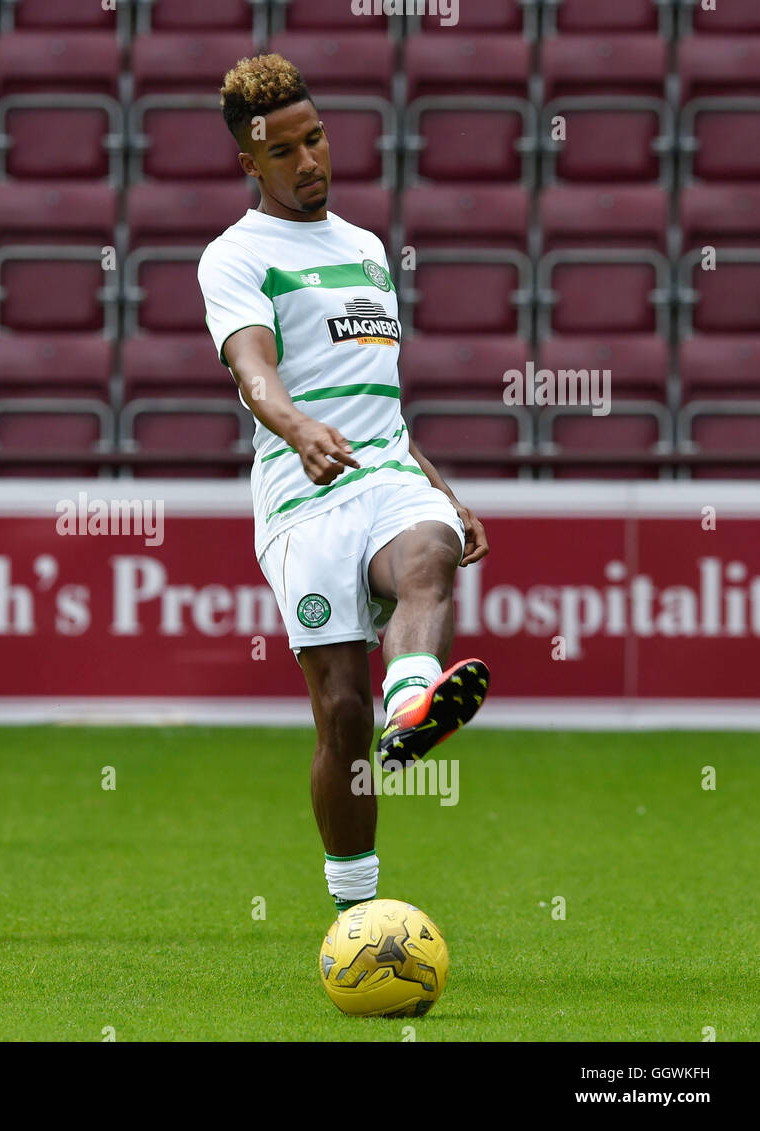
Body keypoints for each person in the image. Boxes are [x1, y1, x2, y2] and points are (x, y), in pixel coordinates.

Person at [196, 54, 491, 917]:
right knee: (340, 714)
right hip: (301, 494)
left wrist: (442, 486)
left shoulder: (365, 249)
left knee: (431, 549)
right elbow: (252, 365)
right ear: (250, 162)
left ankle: (417, 699)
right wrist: (295, 427)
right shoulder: (234, 256)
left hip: (387, 475)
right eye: (284, 152)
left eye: (315, 138)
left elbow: (379, 397)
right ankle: (356, 913)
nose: (309, 161)